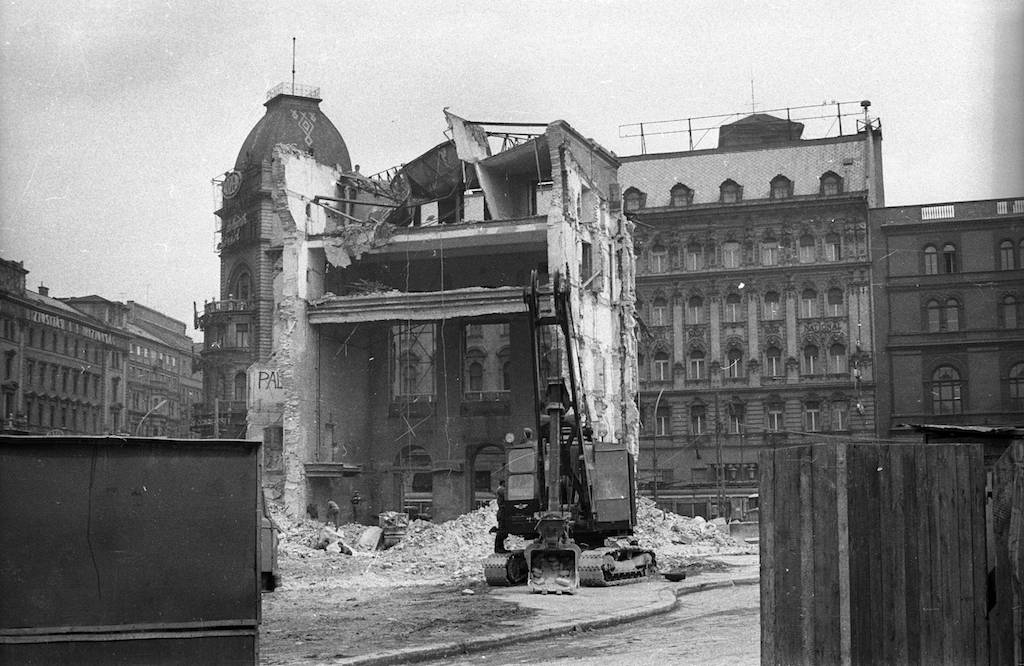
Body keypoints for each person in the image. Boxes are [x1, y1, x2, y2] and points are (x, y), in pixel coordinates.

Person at [493, 480, 509, 554]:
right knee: (501, 531)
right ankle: (498, 548)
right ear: (503, 483)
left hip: (503, 513)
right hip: (502, 513)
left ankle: (500, 548)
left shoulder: (501, 489)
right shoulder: (501, 489)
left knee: (502, 531)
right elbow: (507, 495)